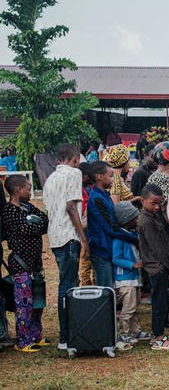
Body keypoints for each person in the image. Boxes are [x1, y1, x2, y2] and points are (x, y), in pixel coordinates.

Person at [42, 144, 89, 350]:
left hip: (55, 237)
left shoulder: (50, 178)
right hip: (69, 236)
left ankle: (68, 334)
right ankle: (66, 337)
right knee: (68, 286)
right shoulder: (74, 173)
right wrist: (83, 238)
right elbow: (71, 207)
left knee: (68, 283)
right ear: (76, 159)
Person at [2, 175, 49, 352]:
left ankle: (36, 335)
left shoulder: (28, 207)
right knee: (24, 303)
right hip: (21, 265)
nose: (30, 192)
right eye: (28, 189)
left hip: (35, 264)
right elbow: (26, 229)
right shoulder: (9, 211)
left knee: (38, 302)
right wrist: (33, 223)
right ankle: (24, 340)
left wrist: (33, 222)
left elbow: (44, 220)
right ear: (17, 190)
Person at [137, 184, 169, 350]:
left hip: (160, 266)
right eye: (153, 203)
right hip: (157, 267)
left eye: (159, 204)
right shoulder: (146, 221)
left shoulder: (153, 216)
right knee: (159, 302)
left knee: (162, 301)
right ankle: (158, 337)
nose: (157, 207)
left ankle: (159, 333)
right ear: (143, 201)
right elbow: (158, 248)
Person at [87, 161, 139, 288]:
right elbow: (111, 227)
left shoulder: (105, 196)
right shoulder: (97, 198)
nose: (113, 180)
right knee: (106, 289)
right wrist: (134, 238)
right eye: (110, 176)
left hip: (108, 248)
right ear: (99, 177)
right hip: (102, 250)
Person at [112, 201, 150, 345]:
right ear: (127, 220)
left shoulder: (131, 235)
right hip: (125, 279)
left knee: (135, 306)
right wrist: (132, 265)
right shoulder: (119, 238)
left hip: (134, 278)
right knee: (129, 307)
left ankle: (135, 330)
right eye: (135, 218)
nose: (137, 220)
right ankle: (124, 333)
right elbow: (116, 258)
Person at [78, 162, 95, 286]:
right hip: (84, 229)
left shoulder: (92, 187)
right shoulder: (79, 190)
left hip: (92, 228)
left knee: (93, 260)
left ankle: (94, 286)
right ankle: (86, 286)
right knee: (85, 260)